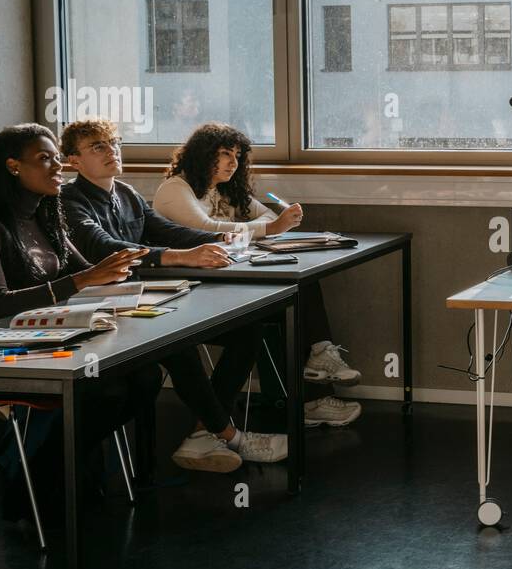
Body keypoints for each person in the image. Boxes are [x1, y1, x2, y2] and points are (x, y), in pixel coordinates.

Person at [0, 125, 163, 516]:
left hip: (53, 336)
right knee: (105, 389)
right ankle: (25, 471)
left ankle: (45, 468)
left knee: (144, 376)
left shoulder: (47, 216)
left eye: (56, 158)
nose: (57, 167)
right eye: (44, 159)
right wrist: (85, 279)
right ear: (13, 166)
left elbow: (90, 280)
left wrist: (124, 284)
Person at [59, 118, 287, 470]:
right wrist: (182, 256)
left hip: (142, 296)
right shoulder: (68, 201)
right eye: (97, 147)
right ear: (73, 161)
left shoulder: (127, 194)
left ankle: (202, 435)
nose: (111, 151)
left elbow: (169, 231)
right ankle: (231, 436)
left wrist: (224, 240)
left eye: (113, 143)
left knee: (247, 331)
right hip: (101, 308)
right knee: (178, 342)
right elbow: (105, 247)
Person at [153, 122, 362, 428]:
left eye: (237, 155)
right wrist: (268, 230)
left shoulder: (223, 188)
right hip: (197, 288)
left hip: (230, 277)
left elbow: (265, 214)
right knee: (283, 303)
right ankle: (309, 394)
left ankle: (316, 373)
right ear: (202, 154)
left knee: (299, 288)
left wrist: (265, 226)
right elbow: (206, 231)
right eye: (225, 154)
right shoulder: (175, 189)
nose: (233, 162)